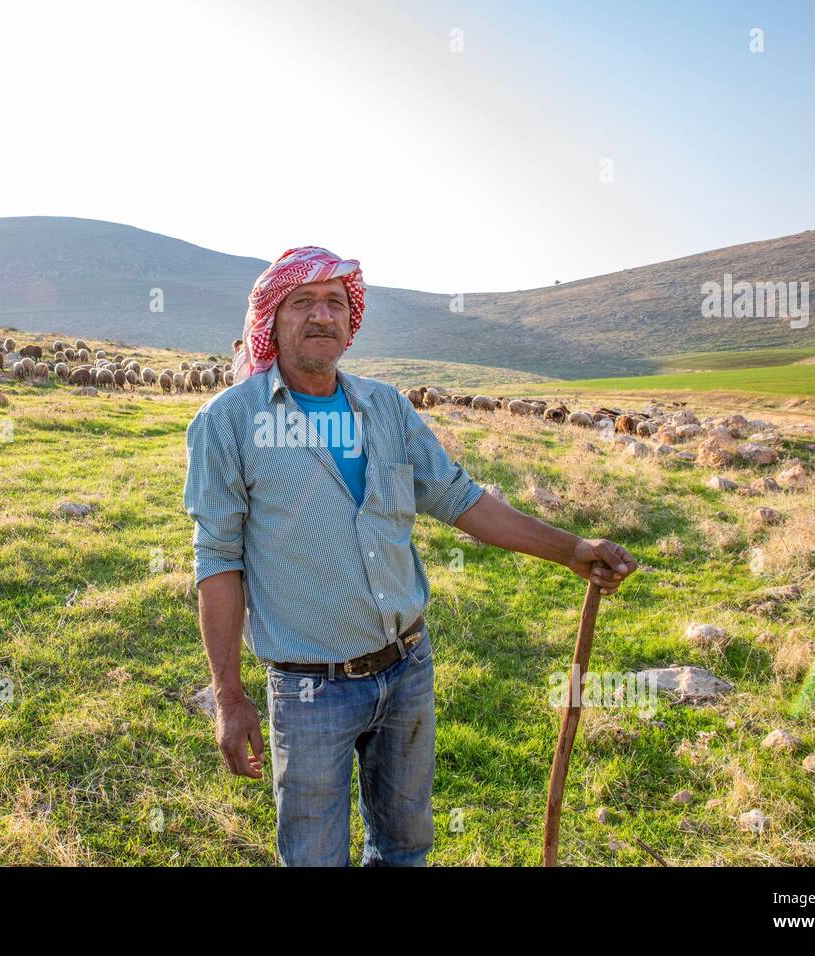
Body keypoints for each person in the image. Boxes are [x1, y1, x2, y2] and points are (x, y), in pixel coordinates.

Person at [183, 246, 637, 866]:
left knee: (405, 847)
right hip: (310, 685)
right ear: (270, 318)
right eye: (303, 302)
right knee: (313, 855)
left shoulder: (388, 408)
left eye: (335, 303)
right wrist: (229, 697)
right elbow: (219, 559)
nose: (322, 316)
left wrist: (573, 550)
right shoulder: (230, 422)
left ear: (352, 319)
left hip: (406, 669)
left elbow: (462, 499)